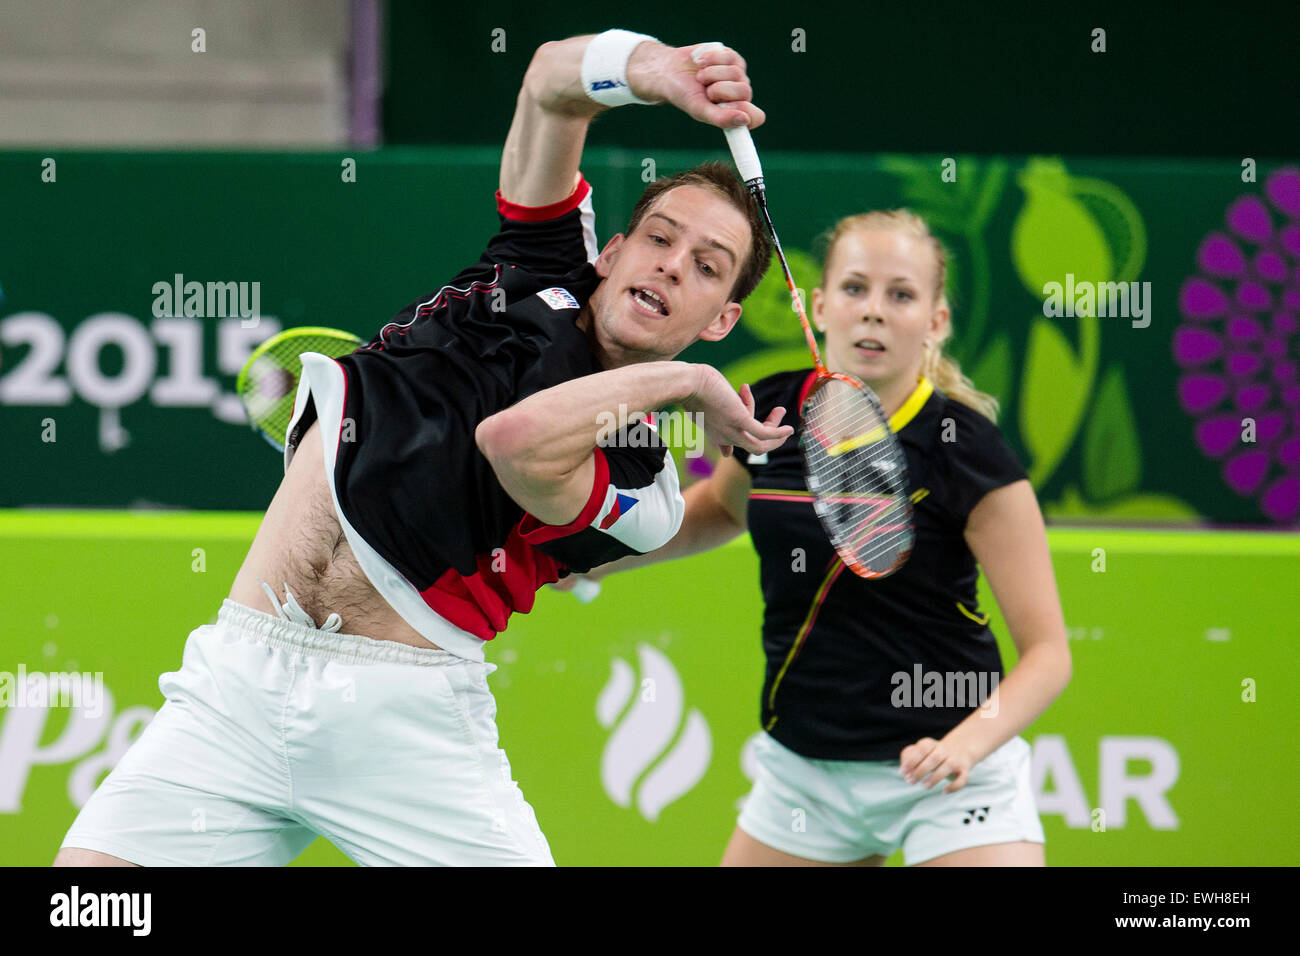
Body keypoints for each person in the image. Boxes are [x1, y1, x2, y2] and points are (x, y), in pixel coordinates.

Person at [53, 30, 792, 867]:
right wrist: (657, 70)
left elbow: (516, 440)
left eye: (705, 266)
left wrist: (687, 385)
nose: (668, 266)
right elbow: (552, 77)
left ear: (723, 320)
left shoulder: (643, 483)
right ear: (612, 252)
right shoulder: (535, 258)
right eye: (658, 238)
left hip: (402, 727)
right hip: (238, 679)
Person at [568, 209, 1072, 866]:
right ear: (820, 304)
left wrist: (968, 745)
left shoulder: (967, 450)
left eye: (901, 295)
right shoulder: (771, 412)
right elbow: (720, 511)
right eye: (855, 288)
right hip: (805, 769)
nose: (873, 312)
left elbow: (1049, 654)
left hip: (948, 769)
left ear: (935, 322)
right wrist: (585, 557)